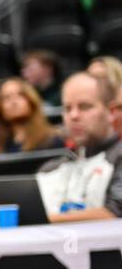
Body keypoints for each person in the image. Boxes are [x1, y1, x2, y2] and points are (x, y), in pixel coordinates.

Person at [38, 71, 122, 222]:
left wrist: (42, 221)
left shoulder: (118, 157)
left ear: (111, 112)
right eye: (67, 108)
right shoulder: (50, 169)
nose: (74, 116)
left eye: (84, 107)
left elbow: (115, 213)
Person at [0, 77, 63, 152]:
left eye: (20, 95)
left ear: (31, 100)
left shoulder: (51, 141)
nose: (13, 102)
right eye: (6, 98)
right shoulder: (1, 146)